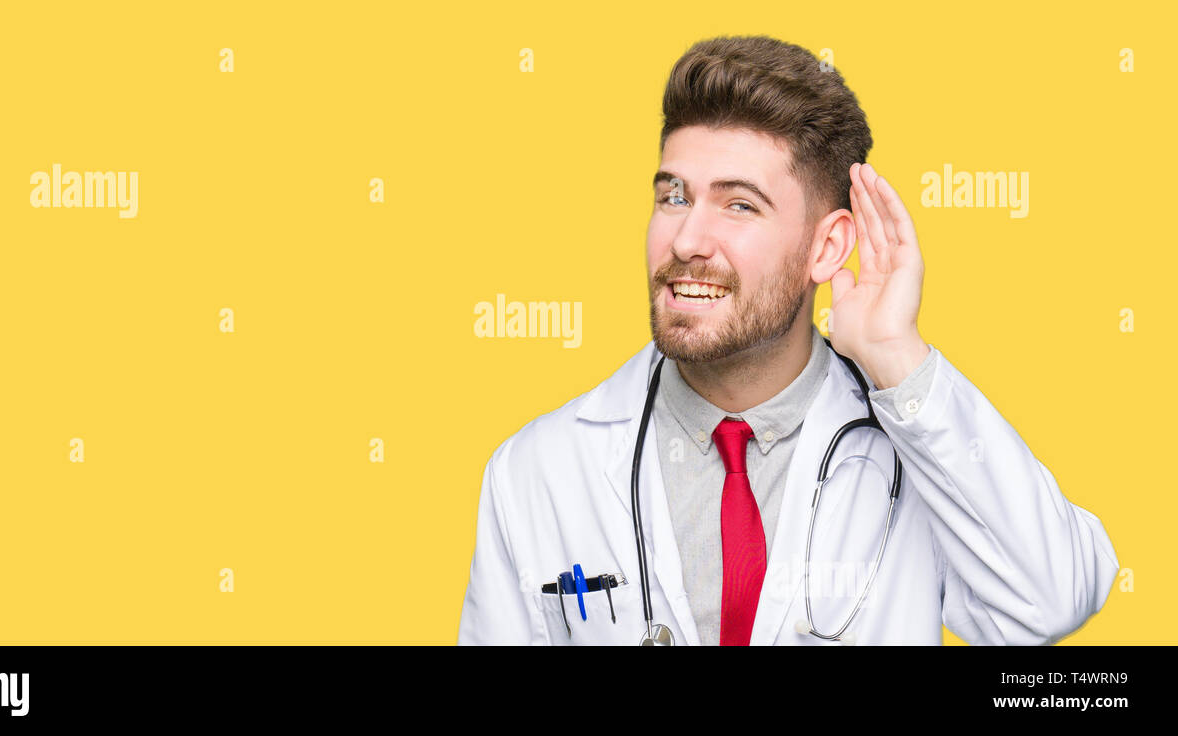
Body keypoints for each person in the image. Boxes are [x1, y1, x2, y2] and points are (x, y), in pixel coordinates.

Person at [456, 35, 1118, 645]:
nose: (685, 240)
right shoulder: (534, 471)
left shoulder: (920, 462)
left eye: (739, 204)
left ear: (826, 247)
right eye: (674, 196)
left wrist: (897, 359)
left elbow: (1051, 599)